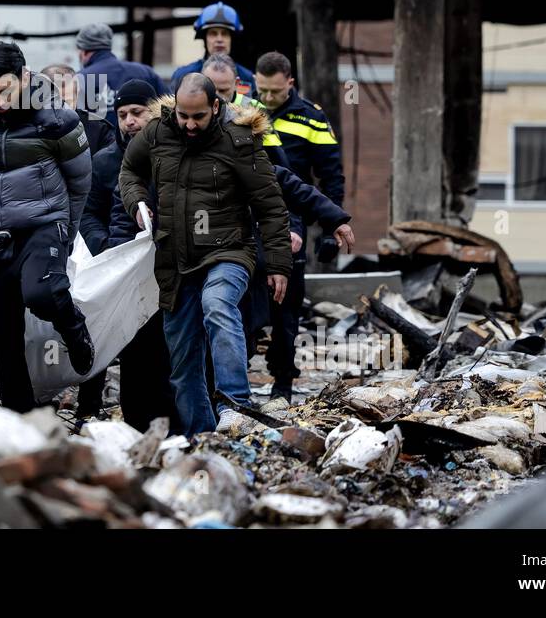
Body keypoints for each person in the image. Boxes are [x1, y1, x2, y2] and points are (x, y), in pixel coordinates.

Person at [119, 72, 293, 437]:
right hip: (174, 261)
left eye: (198, 116)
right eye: (183, 116)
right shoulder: (156, 133)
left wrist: (278, 263)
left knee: (217, 305)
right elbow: (130, 170)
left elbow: (271, 206)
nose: (190, 124)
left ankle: (234, 405)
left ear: (216, 107)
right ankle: (203, 437)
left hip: (228, 251)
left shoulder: (240, 141)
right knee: (182, 362)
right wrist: (136, 202)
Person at [0, 42, 95, 413]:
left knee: (42, 293)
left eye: (7, 90)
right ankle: (22, 418)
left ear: (25, 78)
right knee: (1, 337)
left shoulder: (58, 119)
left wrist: (64, 230)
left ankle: (74, 330)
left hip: (44, 224)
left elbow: (80, 182)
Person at [74, 79, 175, 428]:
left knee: (167, 346)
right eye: (122, 114)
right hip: (122, 269)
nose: (130, 121)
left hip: (166, 266)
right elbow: (88, 212)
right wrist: (108, 249)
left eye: (137, 112)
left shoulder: (171, 152)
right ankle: (132, 421)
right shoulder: (104, 163)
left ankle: (170, 421)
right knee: (130, 343)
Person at [254, 51, 345, 260]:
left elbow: (331, 176)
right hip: (252, 216)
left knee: (291, 287)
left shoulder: (312, 118)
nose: (268, 98)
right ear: (254, 80)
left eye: (275, 91)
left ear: (290, 83)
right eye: (262, 90)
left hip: (293, 217)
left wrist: (330, 227)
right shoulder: (243, 110)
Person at [74, 21, 168, 122]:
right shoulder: (146, 72)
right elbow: (169, 108)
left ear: (84, 51)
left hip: (94, 138)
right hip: (141, 137)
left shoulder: (78, 79)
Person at [169, 2, 255, 95]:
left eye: (225, 33)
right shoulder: (182, 75)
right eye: (213, 33)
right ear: (204, 38)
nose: (219, 39)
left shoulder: (247, 77)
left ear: (232, 39)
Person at [42, 63, 114, 155]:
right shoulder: (26, 129)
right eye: (52, 104)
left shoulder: (100, 129)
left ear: (78, 90)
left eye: (66, 104)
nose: (60, 111)